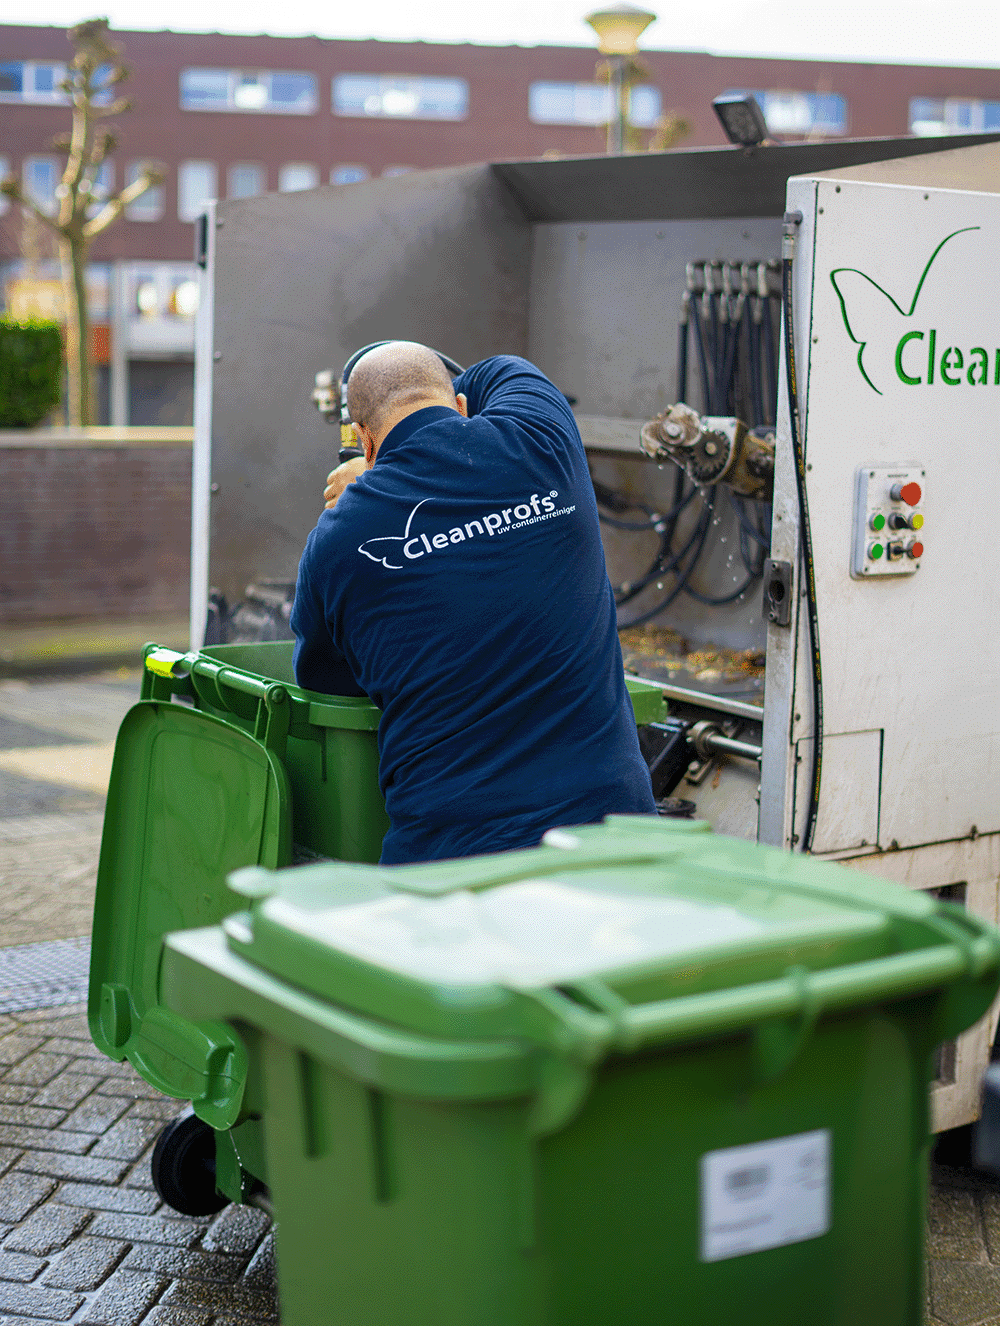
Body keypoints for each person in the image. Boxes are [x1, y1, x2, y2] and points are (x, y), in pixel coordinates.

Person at [290, 341, 656, 864]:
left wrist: (376, 482)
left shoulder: (338, 540)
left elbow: (327, 680)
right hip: (613, 836)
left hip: (453, 862)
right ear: (460, 407)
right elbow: (501, 371)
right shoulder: (543, 438)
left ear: (366, 443)